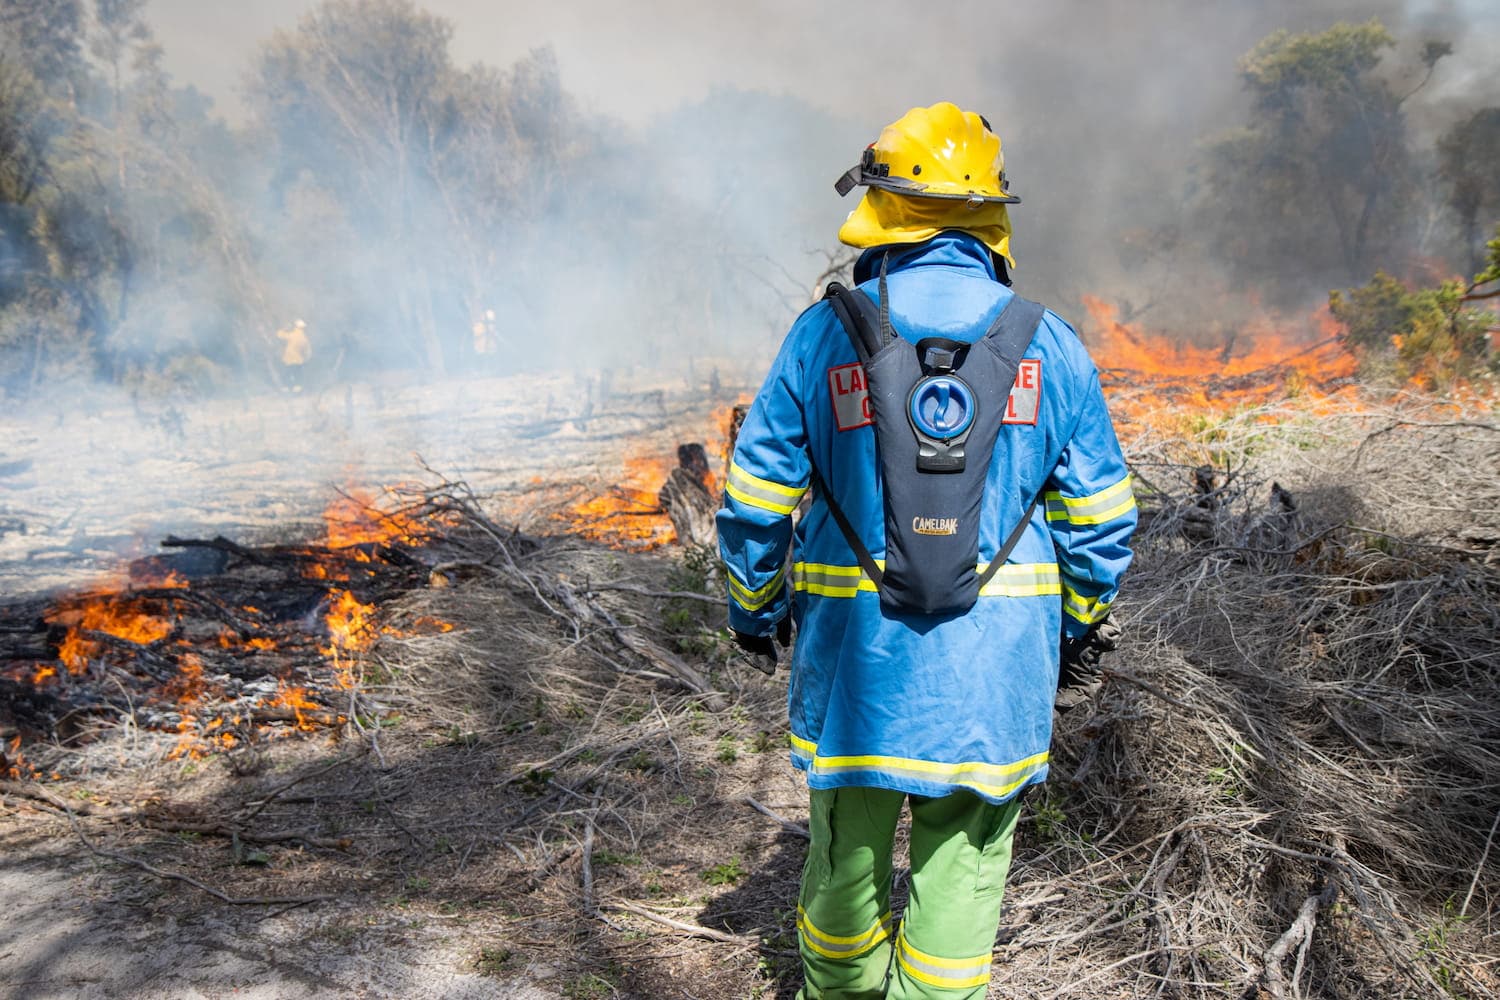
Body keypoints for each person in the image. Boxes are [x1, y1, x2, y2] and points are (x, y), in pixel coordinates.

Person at [716, 102, 1137, 999]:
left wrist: (752, 610)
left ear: (881, 207)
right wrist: (1079, 630)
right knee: (963, 878)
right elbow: (1102, 519)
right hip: (995, 669)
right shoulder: (1050, 343)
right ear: (989, 212)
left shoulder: (823, 332)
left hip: (856, 664)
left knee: (843, 866)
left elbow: (754, 498)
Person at [275, 318, 311, 392]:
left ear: (296, 327)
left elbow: (279, 335)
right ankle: (297, 391)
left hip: (289, 359)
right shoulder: (304, 338)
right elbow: (307, 351)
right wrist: (306, 358)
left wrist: (283, 329)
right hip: (299, 360)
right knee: (298, 376)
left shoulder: (292, 335)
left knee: (287, 374)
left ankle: (286, 390)